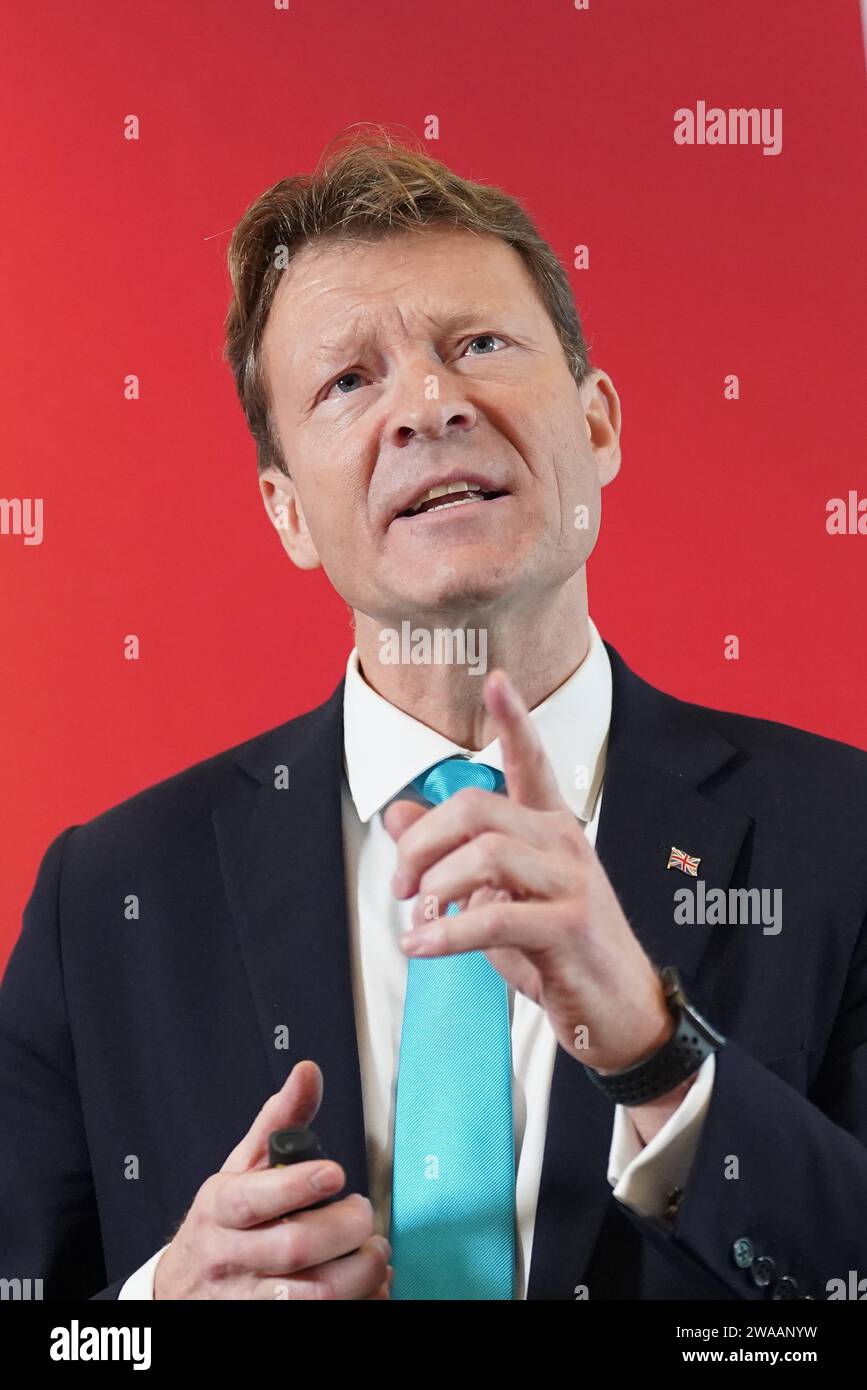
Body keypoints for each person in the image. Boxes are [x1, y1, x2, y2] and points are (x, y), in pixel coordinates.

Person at [2, 134, 866, 1302]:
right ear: (288, 512)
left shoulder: (841, 838)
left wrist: (660, 1057)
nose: (426, 405)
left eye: (479, 345)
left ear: (599, 426)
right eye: (348, 380)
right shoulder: (101, 898)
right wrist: (157, 1313)